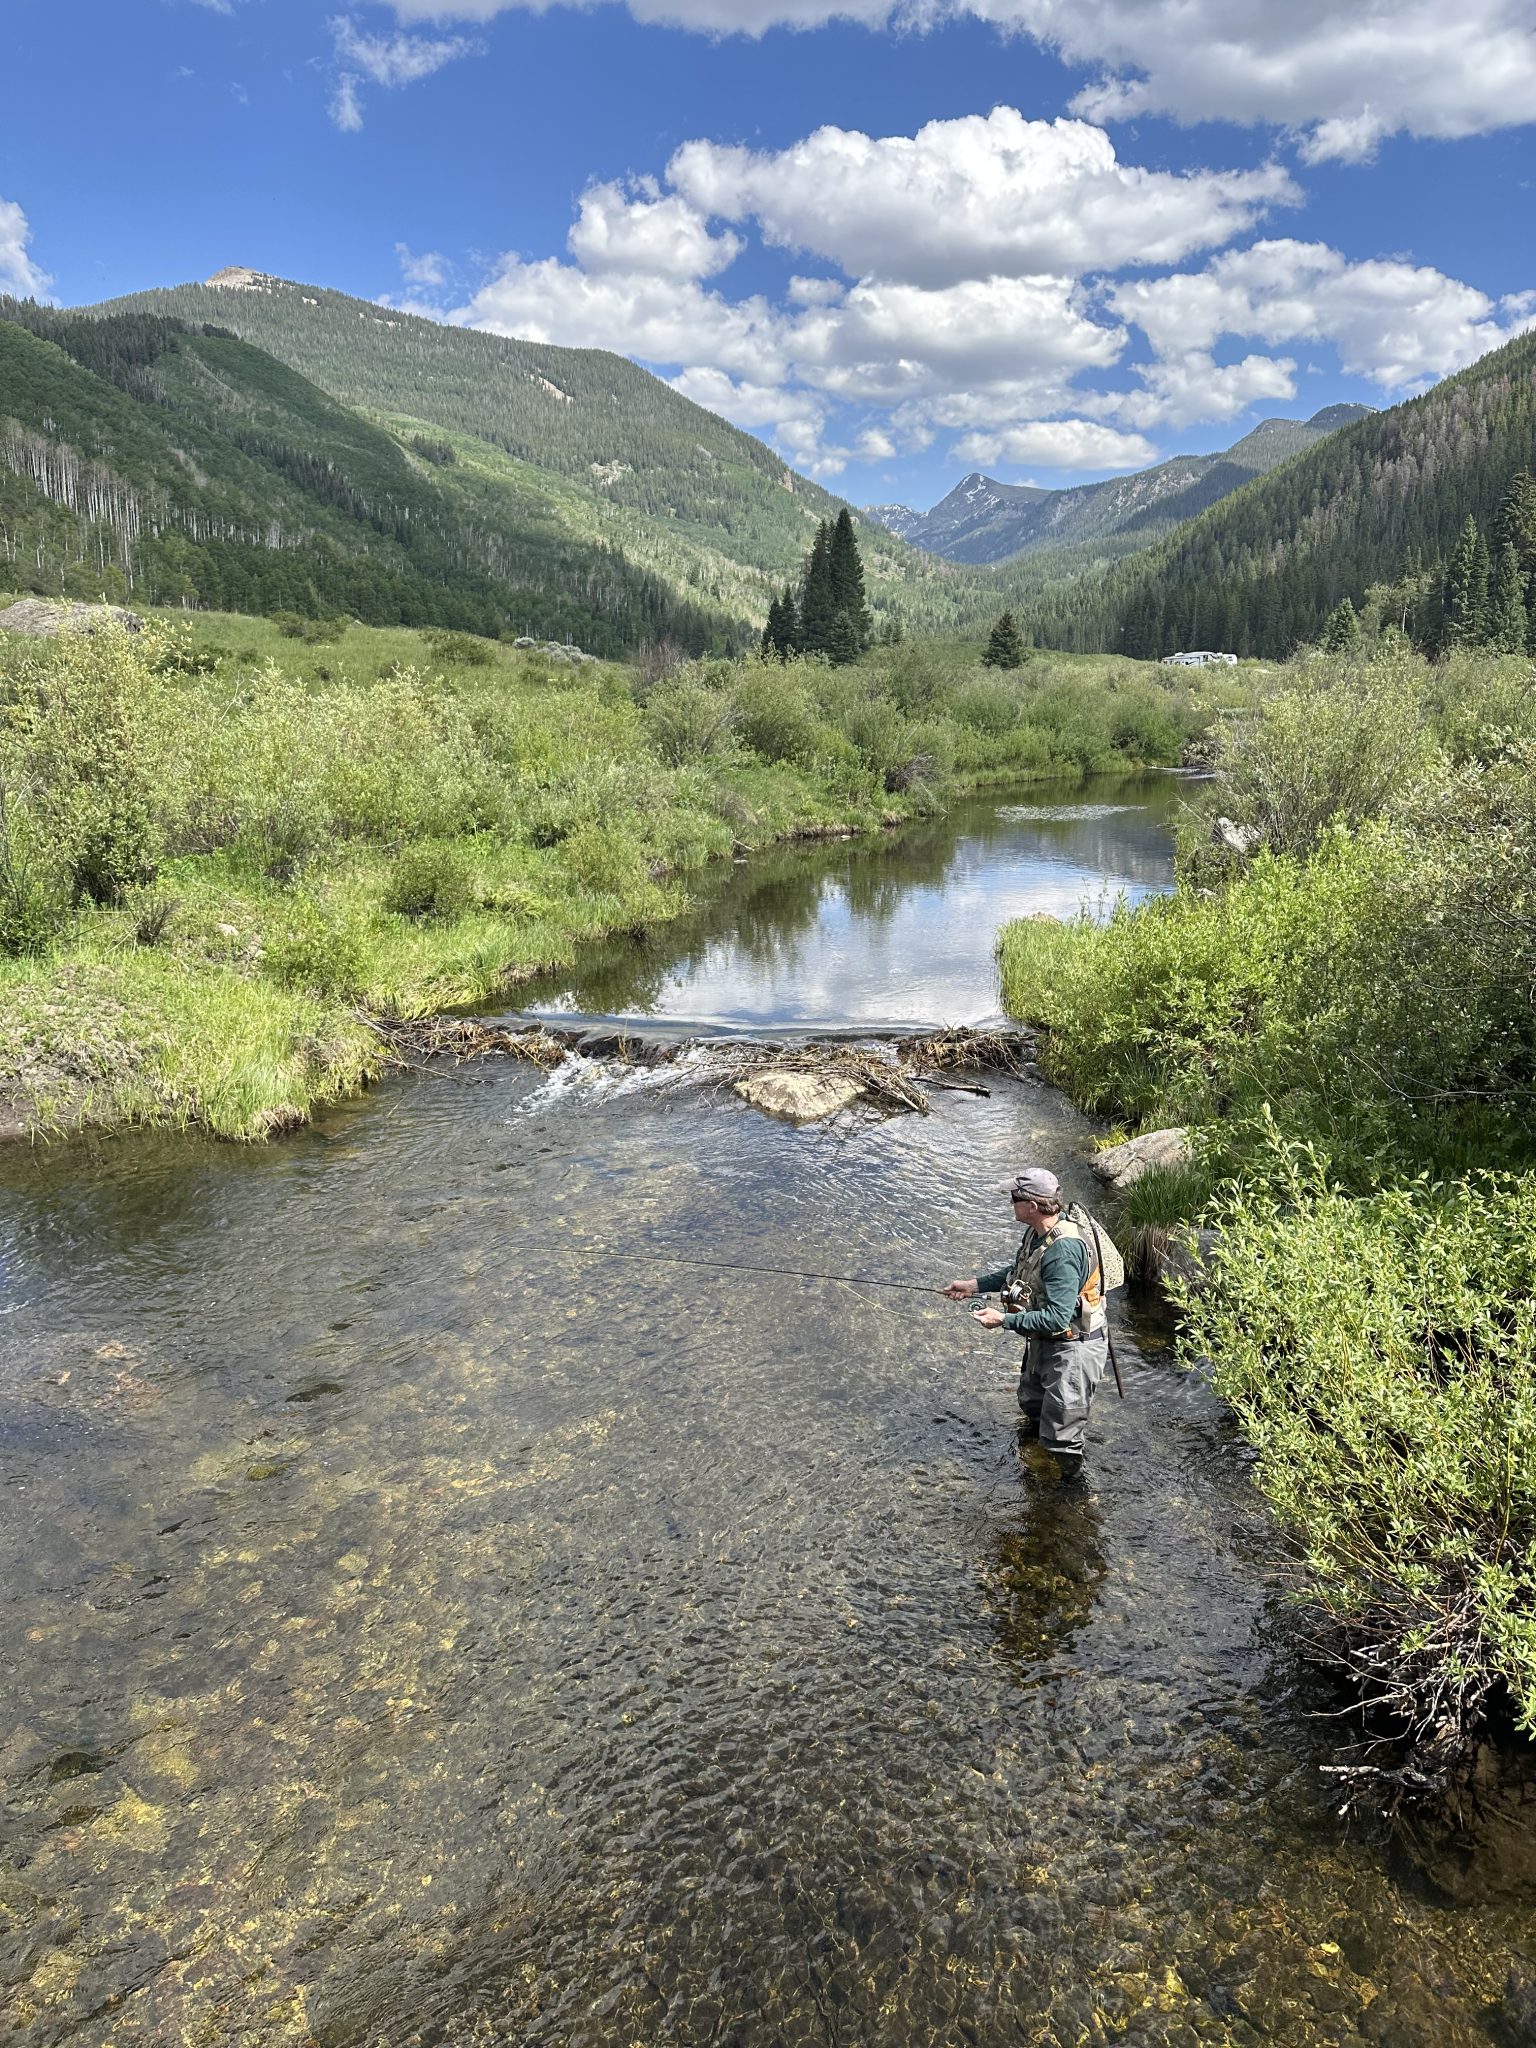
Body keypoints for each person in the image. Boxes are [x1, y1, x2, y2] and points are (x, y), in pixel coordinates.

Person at [943, 1167, 1109, 1488]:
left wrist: (1003, 1320)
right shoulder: (1037, 1233)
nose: (1011, 1202)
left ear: (1032, 1206)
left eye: (1015, 1198)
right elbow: (1020, 1270)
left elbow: (1058, 1318)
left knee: (1062, 1435)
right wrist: (973, 1285)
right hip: (1045, 1339)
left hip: (1073, 1347)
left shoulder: (1063, 1251)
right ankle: (1036, 1460)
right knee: (1032, 1404)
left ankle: (1070, 1494)